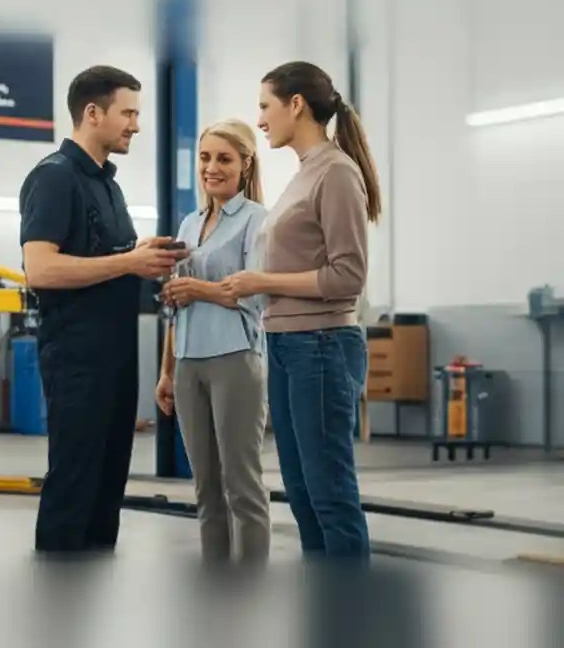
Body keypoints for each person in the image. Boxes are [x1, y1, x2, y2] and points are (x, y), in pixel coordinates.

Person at [19, 65, 188, 554]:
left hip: (115, 360)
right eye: (128, 113)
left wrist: (141, 254)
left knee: (107, 485)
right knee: (75, 482)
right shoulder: (54, 178)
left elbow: (105, 258)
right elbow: (42, 270)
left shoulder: (108, 186)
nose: (135, 125)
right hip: (76, 358)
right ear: (93, 113)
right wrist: (129, 261)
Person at [222, 61, 383, 562]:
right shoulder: (305, 173)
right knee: (303, 491)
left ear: (296, 104)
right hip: (289, 344)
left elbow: (347, 277)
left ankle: (350, 613)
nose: (262, 120)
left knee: (329, 491)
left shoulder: (335, 172)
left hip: (322, 345)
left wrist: (262, 281)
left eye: (265, 107)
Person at [155, 119, 271, 567]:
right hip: (187, 364)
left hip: (234, 361)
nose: (212, 167)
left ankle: (252, 590)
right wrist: (166, 372)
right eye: (205, 157)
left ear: (245, 164)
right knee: (205, 489)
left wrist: (198, 290)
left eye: (224, 158)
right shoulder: (190, 221)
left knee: (241, 484)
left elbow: (255, 293)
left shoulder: (257, 220)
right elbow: (174, 302)